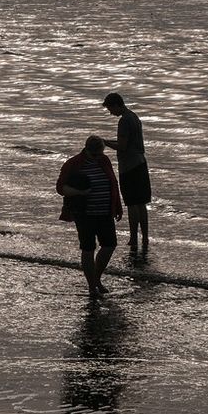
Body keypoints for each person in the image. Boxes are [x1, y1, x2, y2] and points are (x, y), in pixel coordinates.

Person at [56, 135, 123, 297]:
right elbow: (60, 188)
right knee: (88, 248)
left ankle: (96, 279)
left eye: (99, 153)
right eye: (94, 154)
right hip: (84, 213)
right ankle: (92, 286)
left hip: (105, 212)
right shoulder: (73, 164)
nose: (97, 157)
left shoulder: (104, 160)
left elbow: (113, 183)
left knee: (109, 245)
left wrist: (117, 206)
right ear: (86, 149)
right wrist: (80, 192)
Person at [102, 92, 152, 252]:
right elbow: (128, 142)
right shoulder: (134, 117)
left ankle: (133, 238)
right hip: (140, 162)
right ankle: (144, 237)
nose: (110, 113)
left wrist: (105, 143)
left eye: (110, 109)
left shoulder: (124, 121)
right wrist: (109, 141)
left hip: (129, 166)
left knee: (131, 203)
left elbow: (123, 146)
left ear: (117, 105)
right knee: (141, 203)